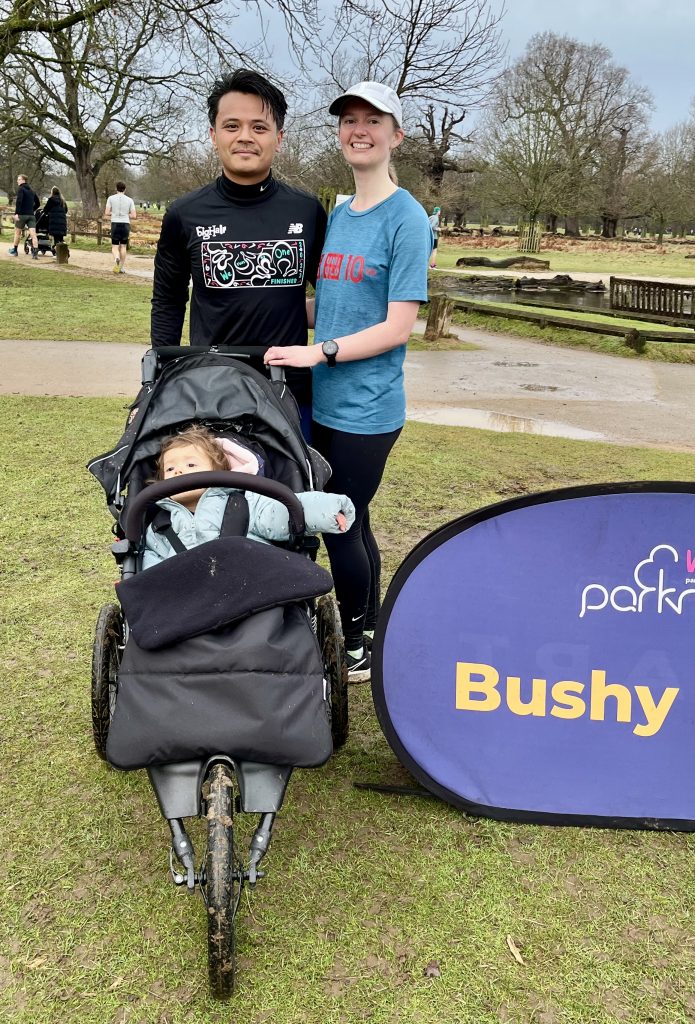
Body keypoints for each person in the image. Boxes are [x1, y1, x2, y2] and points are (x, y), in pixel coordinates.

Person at [264, 81, 433, 681]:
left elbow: (397, 326)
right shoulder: (339, 212)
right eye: (349, 120)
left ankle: (356, 645)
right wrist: (269, 315)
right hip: (323, 401)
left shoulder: (407, 218)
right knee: (352, 520)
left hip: (368, 407)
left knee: (338, 521)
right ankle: (372, 627)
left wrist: (319, 353)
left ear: (396, 135)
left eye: (373, 120)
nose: (359, 130)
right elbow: (332, 305)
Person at [150, 68, 328, 436]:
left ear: (279, 138)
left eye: (259, 127)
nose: (245, 136)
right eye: (232, 126)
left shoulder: (307, 211)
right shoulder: (184, 214)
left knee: (296, 477)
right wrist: (160, 380)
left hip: (290, 394)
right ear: (214, 135)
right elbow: (168, 301)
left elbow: (336, 296)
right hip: (210, 393)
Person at [142, 425, 355, 569]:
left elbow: (281, 513)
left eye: (190, 464)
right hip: (190, 599)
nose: (179, 472)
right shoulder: (160, 526)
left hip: (249, 585)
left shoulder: (244, 501)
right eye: (170, 469)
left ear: (219, 471)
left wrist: (327, 510)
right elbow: (153, 567)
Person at [104, 181, 136, 274]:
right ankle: (121, 267)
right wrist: (126, 214)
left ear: (116, 189)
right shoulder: (130, 200)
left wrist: (114, 213)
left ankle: (116, 258)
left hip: (115, 223)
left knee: (115, 246)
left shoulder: (111, 198)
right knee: (123, 246)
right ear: (125, 189)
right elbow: (134, 215)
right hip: (125, 224)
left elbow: (107, 212)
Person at [8, 175, 40, 259]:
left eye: (19, 179)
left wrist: (16, 213)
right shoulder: (32, 190)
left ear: (23, 180)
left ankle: (15, 251)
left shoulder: (21, 189)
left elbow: (19, 201)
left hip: (22, 215)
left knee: (17, 233)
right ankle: (35, 254)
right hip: (31, 216)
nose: (17, 181)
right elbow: (38, 203)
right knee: (33, 234)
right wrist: (31, 210)